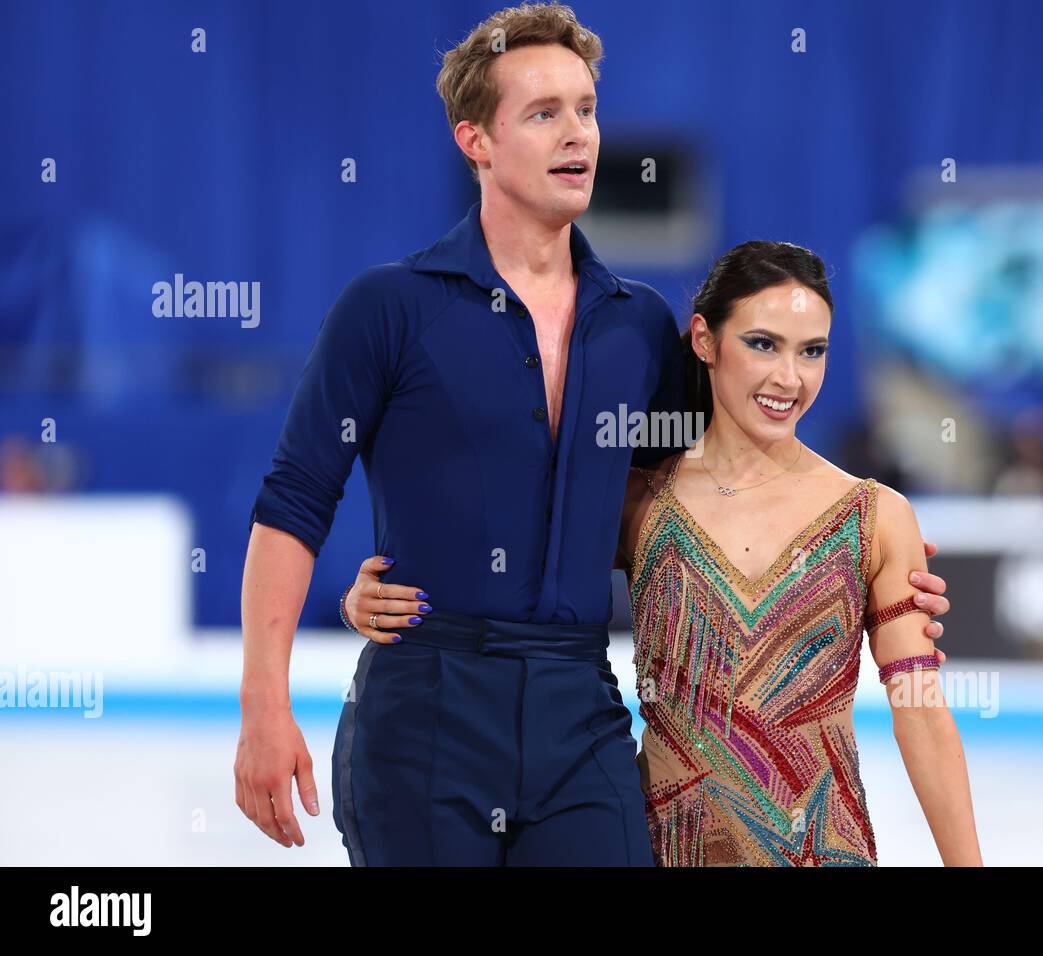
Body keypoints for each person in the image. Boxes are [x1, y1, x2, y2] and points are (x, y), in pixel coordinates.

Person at [237, 1, 952, 866]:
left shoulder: (640, 327)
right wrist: (265, 710)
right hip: (425, 709)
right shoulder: (388, 309)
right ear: (477, 141)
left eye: (586, 109)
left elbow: (712, 484)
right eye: (544, 114)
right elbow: (293, 504)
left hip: (580, 711)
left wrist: (865, 550)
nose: (578, 134)